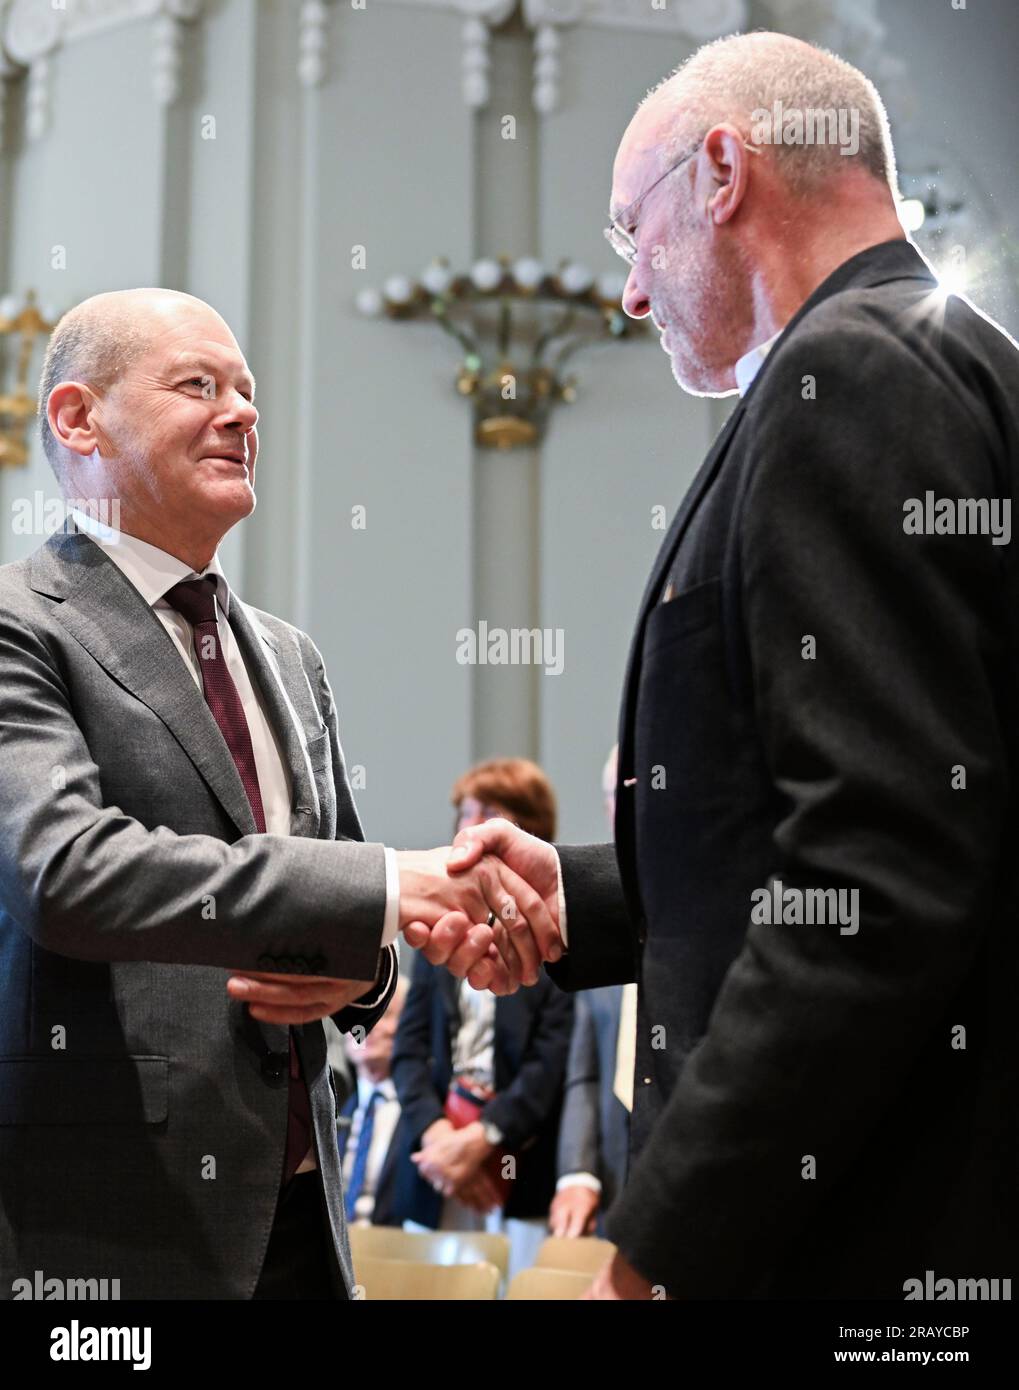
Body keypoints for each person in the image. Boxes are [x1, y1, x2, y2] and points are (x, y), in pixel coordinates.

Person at [419, 31, 1019, 1299]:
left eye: (631, 233)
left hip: (864, 1237)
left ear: (720, 171)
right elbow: (797, 844)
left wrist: (658, 1245)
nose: (630, 293)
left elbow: (872, 872)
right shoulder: (932, 358)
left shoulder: (848, 373)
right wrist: (583, 894)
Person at [0, 288, 558, 1300]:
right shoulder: (19, 623)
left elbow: (343, 909)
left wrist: (367, 977)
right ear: (78, 417)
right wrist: (389, 885)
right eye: (199, 386)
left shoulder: (288, 657)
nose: (243, 414)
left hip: (305, 1211)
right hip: (112, 1223)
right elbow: (64, 874)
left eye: (249, 393)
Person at [392, 759, 573, 1280]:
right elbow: (410, 1051)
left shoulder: (553, 933)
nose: (467, 825)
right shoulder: (437, 926)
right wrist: (439, 1139)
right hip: (435, 1167)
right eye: (463, 812)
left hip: (517, 1170)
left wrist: (483, 1140)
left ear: (528, 830)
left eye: (488, 811)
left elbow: (548, 1067)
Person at [550, 747, 631, 1238]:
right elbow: (586, 1072)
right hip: (612, 1183)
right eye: (619, 796)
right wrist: (578, 1173)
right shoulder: (597, 924)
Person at [337, 976, 412, 1226]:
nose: (366, 1026)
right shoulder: (333, 1109)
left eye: (385, 1014)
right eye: (355, 1015)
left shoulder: (422, 1115)